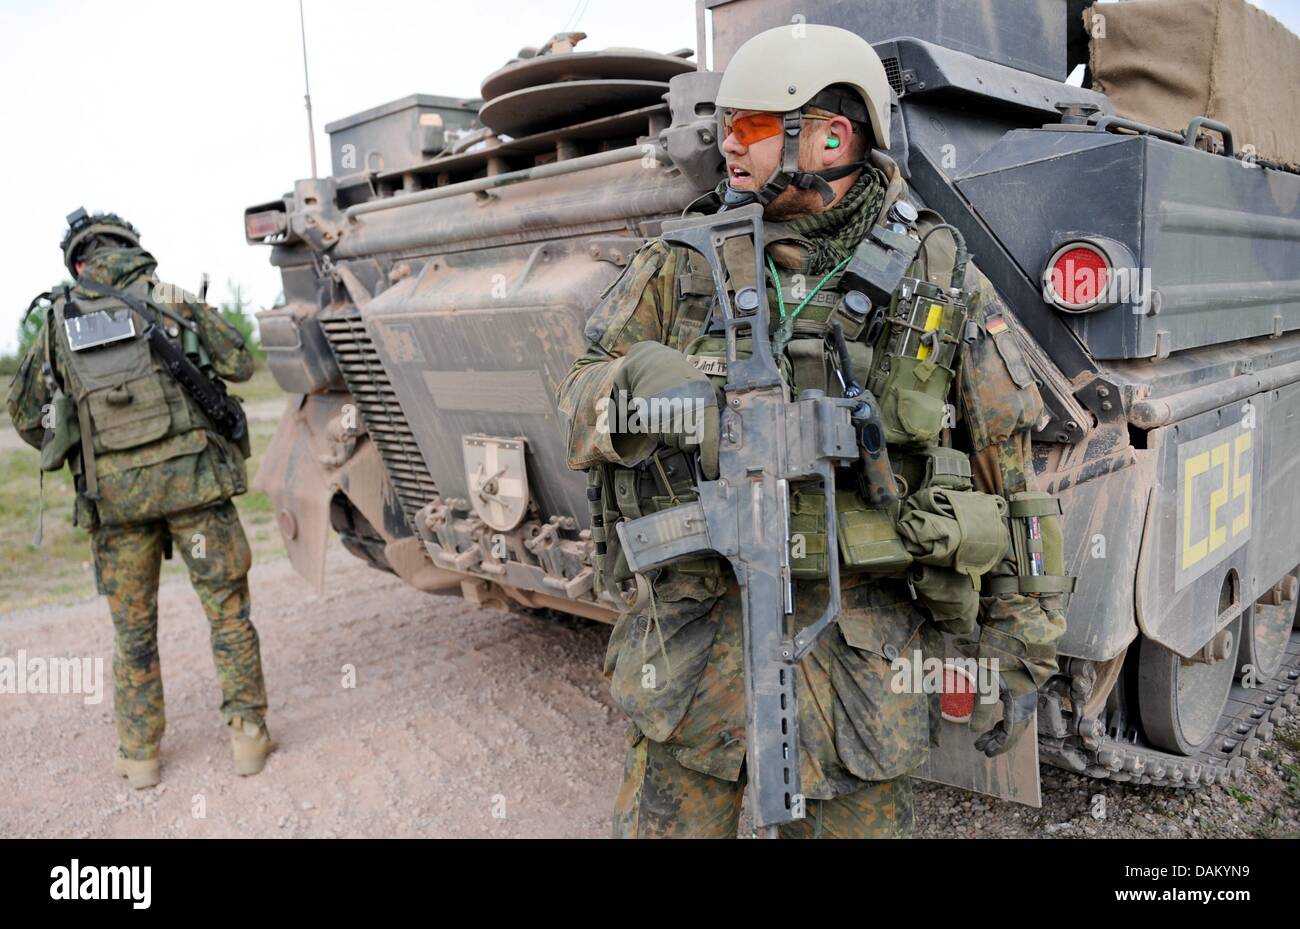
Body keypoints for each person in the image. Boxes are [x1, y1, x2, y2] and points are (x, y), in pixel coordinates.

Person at [557, 25, 1069, 838]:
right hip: (698, 672)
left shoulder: (935, 279)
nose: (726, 144)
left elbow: (1011, 477)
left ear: (831, 137)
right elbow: (576, 403)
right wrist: (629, 389)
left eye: (751, 127)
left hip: (858, 683)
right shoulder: (683, 265)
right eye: (729, 126)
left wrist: (1021, 648)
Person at [6, 208, 274, 789]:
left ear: (79, 262)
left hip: (117, 504)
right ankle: (247, 737)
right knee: (228, 614)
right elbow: (241, 363)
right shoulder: (170, 296)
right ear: (130, 247)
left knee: (132, 634)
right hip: (196, 489)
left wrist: (82, 436)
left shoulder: (57, 320)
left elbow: (27, 415)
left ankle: (140, 756)